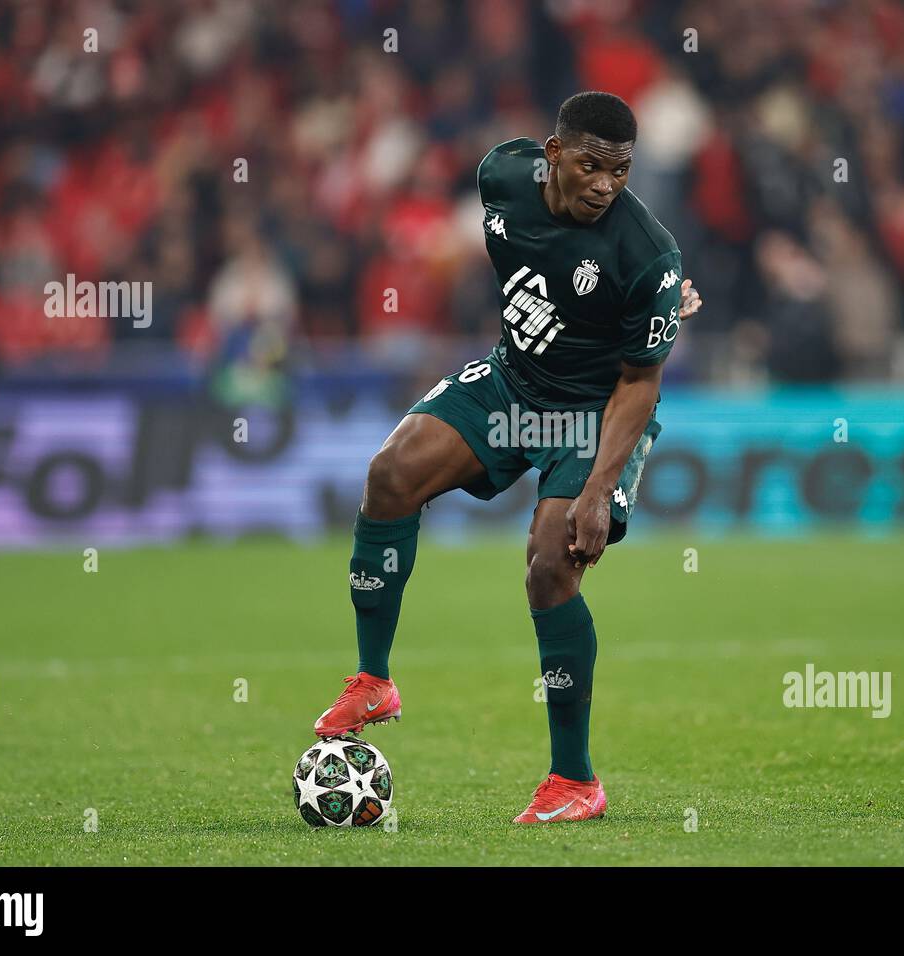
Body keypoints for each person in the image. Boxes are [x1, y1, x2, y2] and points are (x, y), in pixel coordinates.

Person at [313, 91, 703, 823]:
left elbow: (639, 383)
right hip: (512, 381)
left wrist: (598, 489)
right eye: (590, 165)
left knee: (550, 564)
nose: (604, 185)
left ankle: (574, 781)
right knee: (389, 474)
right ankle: (373, 678)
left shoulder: (646, 253)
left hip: (592, 414)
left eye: (620, 171)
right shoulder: (501, 175)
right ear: (553, 155)